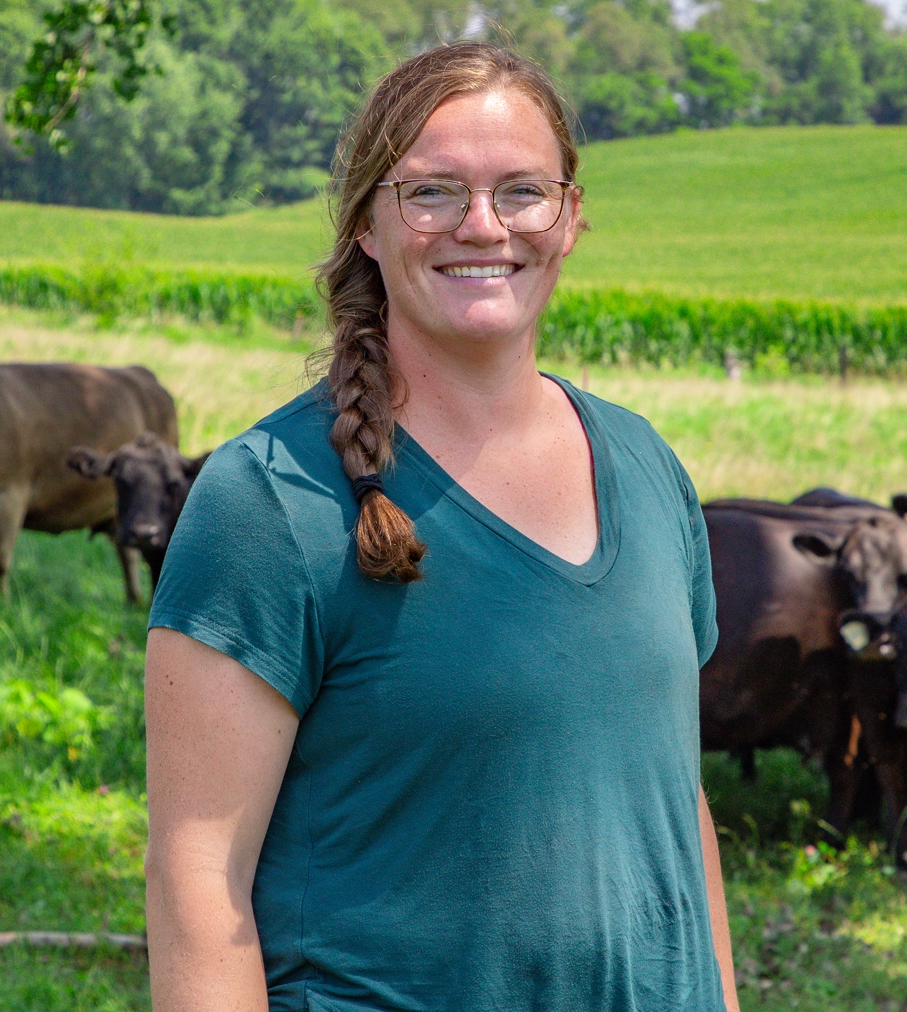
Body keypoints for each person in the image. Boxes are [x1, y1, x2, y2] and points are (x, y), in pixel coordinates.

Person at [142, 42, 738, 1012]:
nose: (482, 226)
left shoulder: (645, 466)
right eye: (431, 193)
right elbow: (197, 884)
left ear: (572, 217)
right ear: (370, 225)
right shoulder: (270, 500)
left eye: (522, 191)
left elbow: (675, 809)